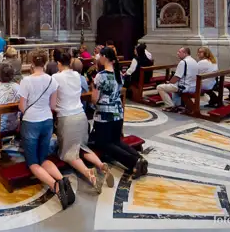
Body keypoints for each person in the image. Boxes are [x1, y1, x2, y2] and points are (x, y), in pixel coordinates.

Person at [18, 49, 74, 210]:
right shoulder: (52, 80)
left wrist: (29, 112)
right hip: (47, 121)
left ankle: (55, 186)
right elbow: (52, 105)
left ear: (31, 62)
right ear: (45, 62)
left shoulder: (26, 81)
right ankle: (62, 179)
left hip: (31, 122)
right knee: (43, 158)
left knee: (33, 162)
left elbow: (22, 106)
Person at [53, 53, 113, 193]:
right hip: (81, 116)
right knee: (81, 147)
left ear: (59, 63)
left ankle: (89, 174)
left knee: (68, 154)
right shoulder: (76, 75)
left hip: (67, 118)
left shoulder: (56, 77)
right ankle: (101, 165)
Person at [91, 47, 148, 178]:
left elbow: (95, 99)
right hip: (118, 112)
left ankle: (134, 162)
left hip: (104, 114)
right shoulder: (119, 74)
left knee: (103, 143)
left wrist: (93, 88)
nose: (99, 57)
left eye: (100, 55)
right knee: (116, 141)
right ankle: (139, 159)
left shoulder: (101, 76)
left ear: (104, 56)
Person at [156, 46, 199, 112]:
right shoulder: (194, 61)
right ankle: (177, 105)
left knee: (160, 87)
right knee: (173, 86)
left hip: (184, 87)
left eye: (179, 52)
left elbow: (177, 77)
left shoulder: (183, 62)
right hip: (193, 86)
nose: (177, 53)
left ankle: (169, 106)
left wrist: (169, 82)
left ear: (185, 53)